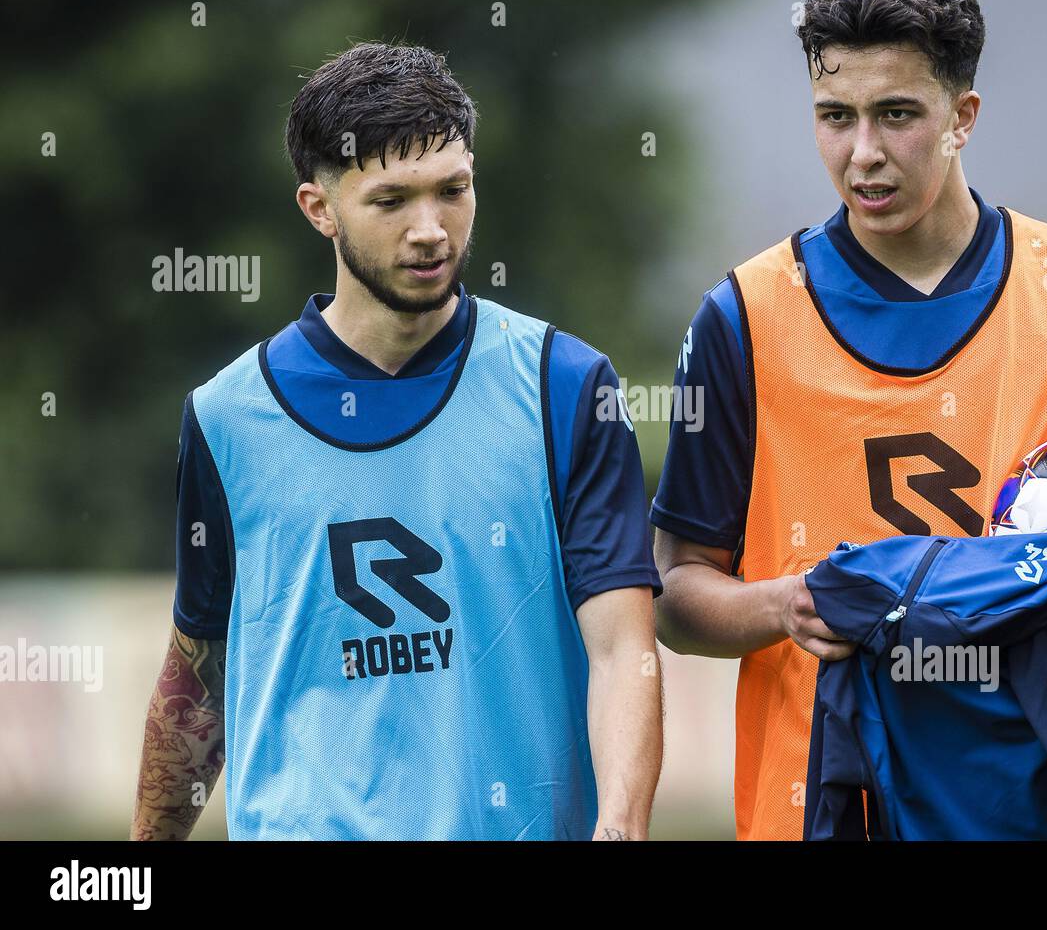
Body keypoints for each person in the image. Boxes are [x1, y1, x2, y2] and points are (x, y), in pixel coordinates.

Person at [651, 0, 1047, 840]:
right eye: (836, 116)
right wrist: (783, 605)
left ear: (963, 117)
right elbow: (677, 593)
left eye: (897, 115)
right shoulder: (744, 319)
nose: (863, 152)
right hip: (827, 805)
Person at [131, 42, 663, 840]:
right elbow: (197, 678)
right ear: (319, 208)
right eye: (391, 201)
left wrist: (620, 828)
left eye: (453, 190)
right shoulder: (225, 417)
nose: (430, 231)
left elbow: (625, 654)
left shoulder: (566, 387)